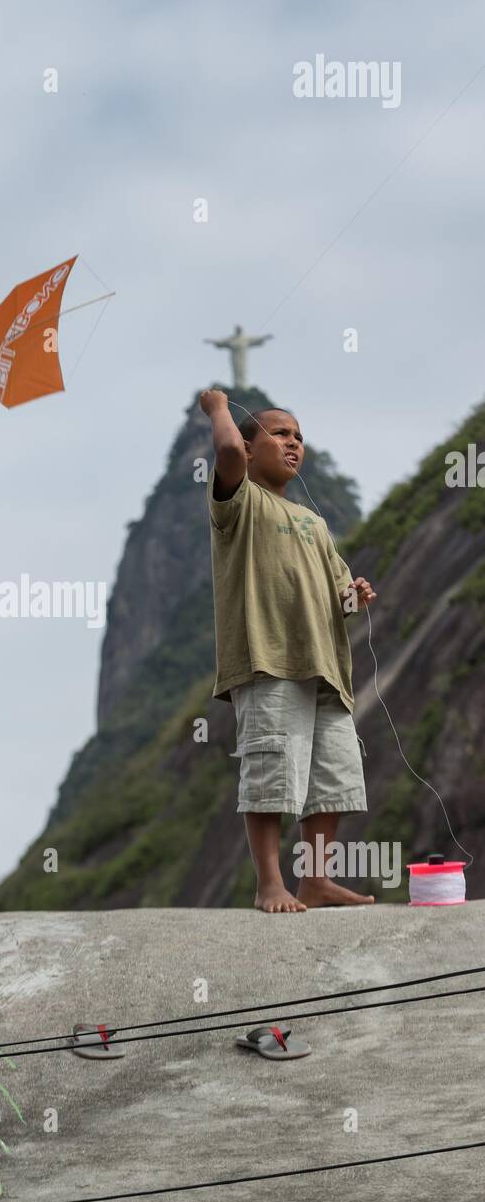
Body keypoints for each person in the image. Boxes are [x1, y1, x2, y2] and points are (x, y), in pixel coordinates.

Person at [201, 388, 378, 913]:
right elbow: (228, 454)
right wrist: (217, 409)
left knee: (330, 778)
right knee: (272, 770)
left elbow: (339, 594)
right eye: (279, 434)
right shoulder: (238, 502)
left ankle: (317, 880)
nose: (293, 442)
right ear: (252, 449)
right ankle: (269, 884)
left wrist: (355, 594)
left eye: (299, 436)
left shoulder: (315, 524)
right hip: (268, 660)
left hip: (325, 666)